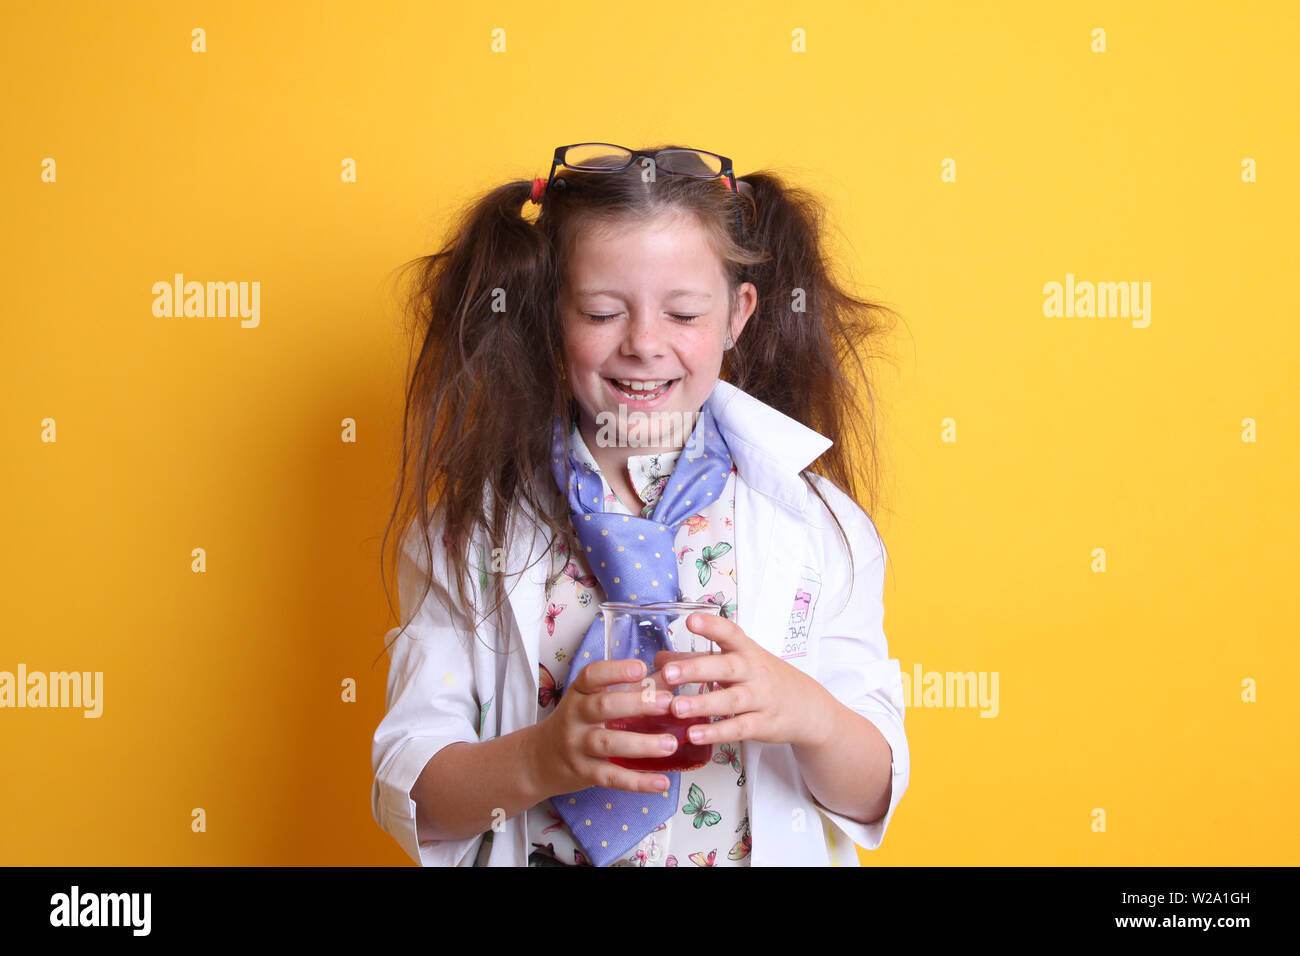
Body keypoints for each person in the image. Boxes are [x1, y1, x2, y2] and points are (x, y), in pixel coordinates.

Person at [370, 142, 909, 866]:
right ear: (548, 316)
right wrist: (542, 757)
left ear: (736, 315)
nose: (645, 345)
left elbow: (872, 793)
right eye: (600, 312)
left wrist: (808, 713)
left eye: (683, 313)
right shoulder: (468, 537)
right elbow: (418, 794)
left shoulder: (818, 526)